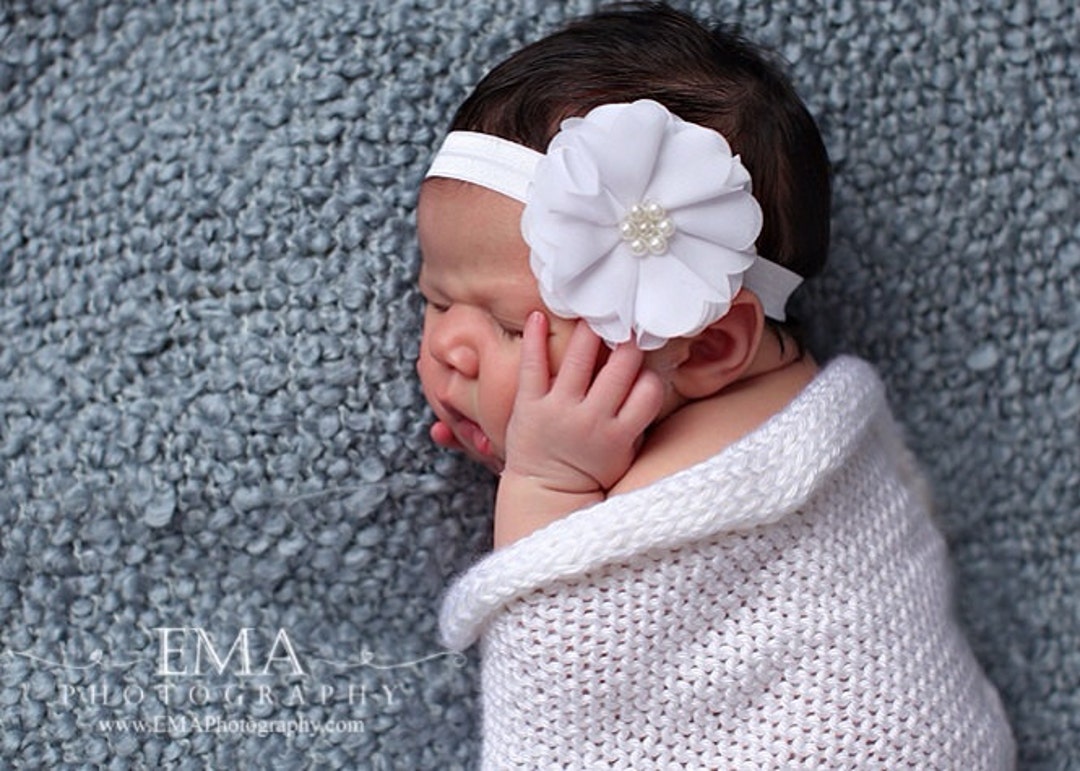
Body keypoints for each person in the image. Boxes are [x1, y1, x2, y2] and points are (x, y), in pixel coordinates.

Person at [414, 3, 1015, 767]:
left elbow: (566, 648)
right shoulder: (770, 396)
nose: (447, 348)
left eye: (507, 325)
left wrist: (546, 480)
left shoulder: (744, 466)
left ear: (709, 345)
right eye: (433, 297)